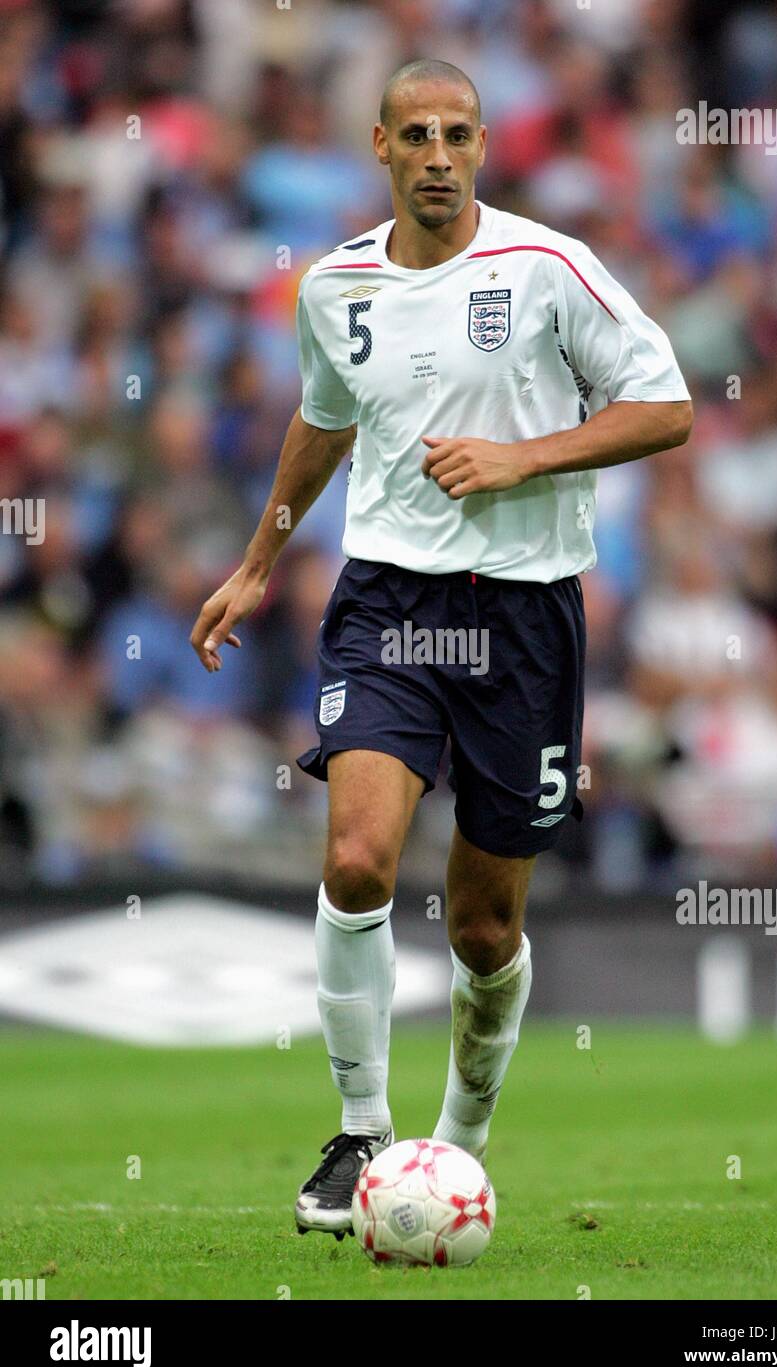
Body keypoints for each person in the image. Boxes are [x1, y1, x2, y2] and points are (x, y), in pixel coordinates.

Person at [190, 59, 692, 1239]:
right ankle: (362, 1128)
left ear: (480, 148)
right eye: (412, 133)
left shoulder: (546, 268)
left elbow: (665, 405)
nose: (433, 153)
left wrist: (528, 455)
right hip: (389, 606)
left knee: (482, 930)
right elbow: (323, 418)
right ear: (378, 146)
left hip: (523, 614)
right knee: (358, 861)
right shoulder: (334, 286)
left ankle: (454, 1152)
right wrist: (258, 558)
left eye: (455, 133)